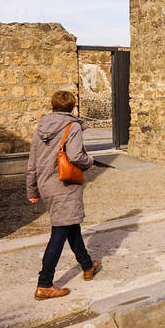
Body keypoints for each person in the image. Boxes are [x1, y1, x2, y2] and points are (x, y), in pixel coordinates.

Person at [27, 90, 100, 300]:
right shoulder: (72, 125)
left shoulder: (41, 126)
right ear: (72, 107)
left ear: (52, 106)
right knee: (59, 233)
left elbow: (32, 161)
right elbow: (76, 156)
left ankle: (87, 266)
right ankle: (44, 284)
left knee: (70, 225)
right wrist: (91, 161)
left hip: (46, 185)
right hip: (64, 185)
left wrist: (32, 189)